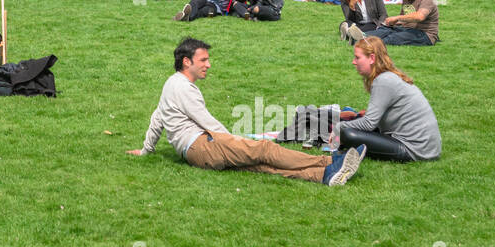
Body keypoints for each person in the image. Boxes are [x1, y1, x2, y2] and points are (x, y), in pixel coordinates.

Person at [127, 38, 365, 186]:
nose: (208, 65)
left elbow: (157, 117)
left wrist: (147, 149)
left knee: (263, 166)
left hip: (194, 154)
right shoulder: (183, 88)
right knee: (263, 149)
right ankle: (331, 160)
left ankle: (324, 175)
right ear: (187, 62)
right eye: (203, 60)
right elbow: (208, 123)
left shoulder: (171, 83)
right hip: (202, 146)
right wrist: (235, 141)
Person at [339, 37, 441, 161]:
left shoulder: (383, 81)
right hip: (427, 148)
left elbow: (369, 123)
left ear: (372, 58)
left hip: (415, 149)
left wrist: (338, 127)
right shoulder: (388, 77)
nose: (354, 62)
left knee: (348, 134)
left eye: (357, 57)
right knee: (356, 121)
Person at [367, 0, 439, 46]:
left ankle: (370, 43)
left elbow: (420, 16)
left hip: (424, 33)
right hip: (406, 29)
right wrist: (393, 22)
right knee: (385, 30)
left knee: (393, 38)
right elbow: (404, 18)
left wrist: (397, 18)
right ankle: (363, 37)